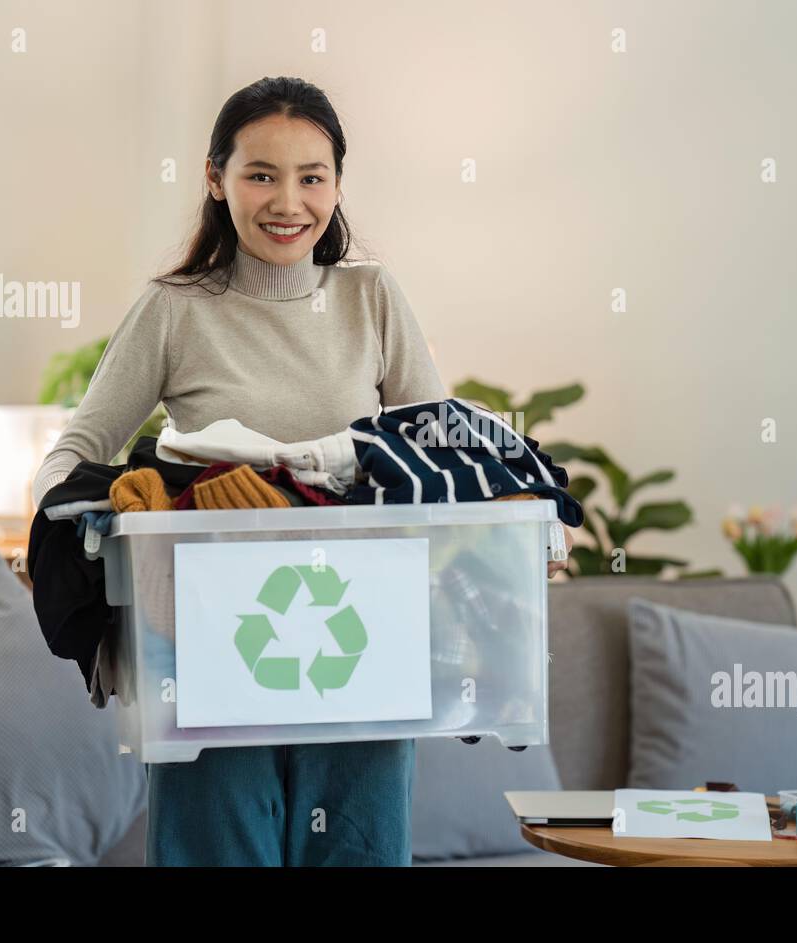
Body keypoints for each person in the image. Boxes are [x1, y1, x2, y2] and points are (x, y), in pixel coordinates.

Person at [30, 76, 571, 866]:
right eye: (261, 174)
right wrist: (83, 524)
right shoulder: (175, 308)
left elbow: (441, 454)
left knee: (356, 849)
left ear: (338, 184)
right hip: (206, 639)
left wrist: (530, 526)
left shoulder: (371, 296)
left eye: (312, 177)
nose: (289, 202)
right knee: (220, 851)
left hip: (372, 638)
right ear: (216, 180)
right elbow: (70, 457)